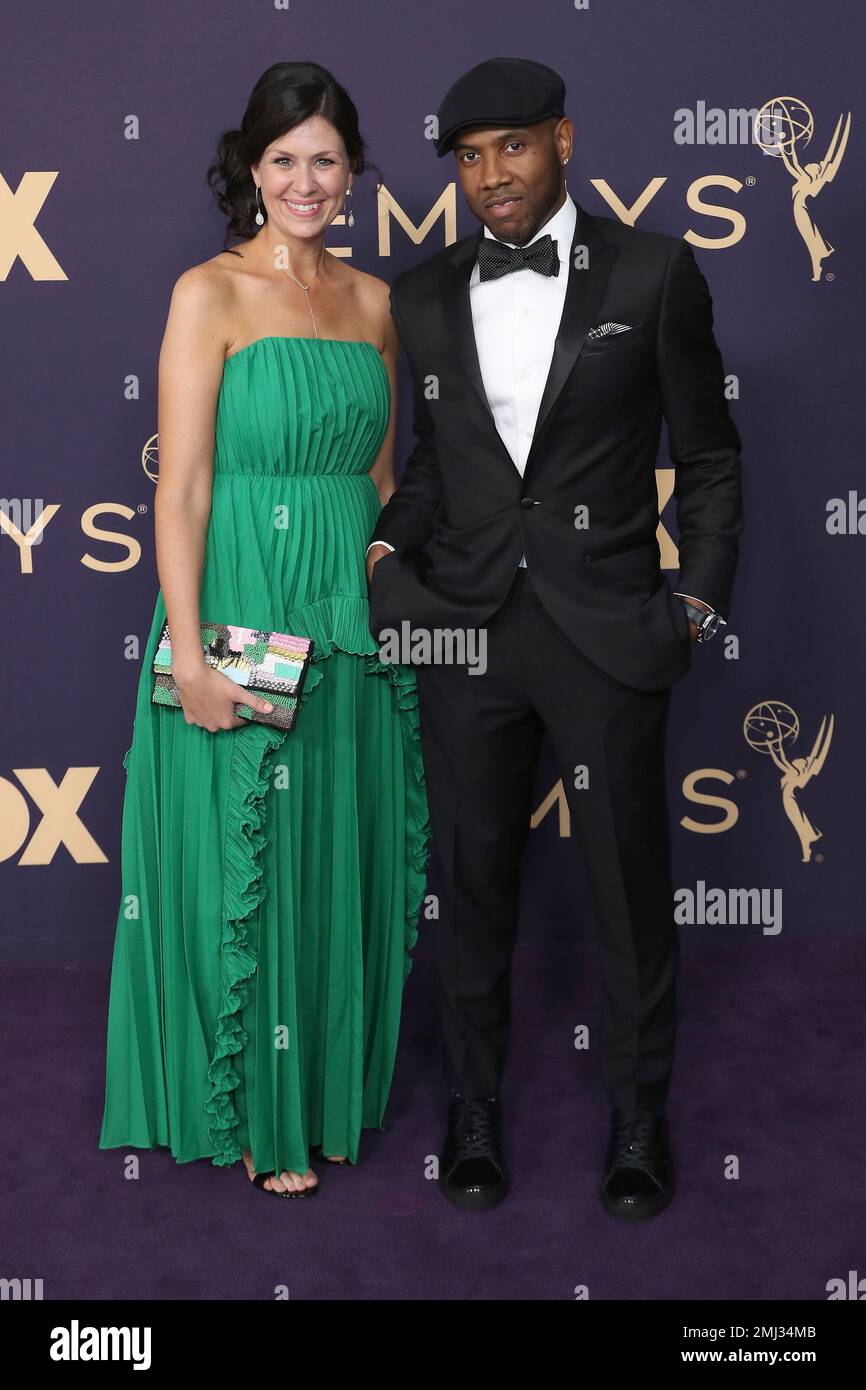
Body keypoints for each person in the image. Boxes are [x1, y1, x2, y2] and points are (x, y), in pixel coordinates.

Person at [366, 57, 743, 1220]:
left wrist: (695, 601)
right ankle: (472, 1108)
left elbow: (709, 456)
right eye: (469, 157)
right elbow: (435, 464)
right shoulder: (422, 295)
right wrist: (385, 552)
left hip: (606, 629)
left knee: (627, 887)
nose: (491, 175)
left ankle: (635, 1118)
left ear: (563, 141)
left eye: (513, 147)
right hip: (462, 632)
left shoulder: (653, 270)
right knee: (471, 882)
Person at [99, 61, 430, 1199]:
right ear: (251, 168)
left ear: (353, 172)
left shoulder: (376, 304)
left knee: (337, 836)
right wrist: (188, 655)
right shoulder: (209, 294)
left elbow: (381, 483)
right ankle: (255, 1110)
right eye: (283, 158)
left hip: (346, 608)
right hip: (242, 593)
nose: (305, 180)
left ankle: (326, 1090)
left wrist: (395, 604)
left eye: (325, 159)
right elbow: (183, 488)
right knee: (254, 847)